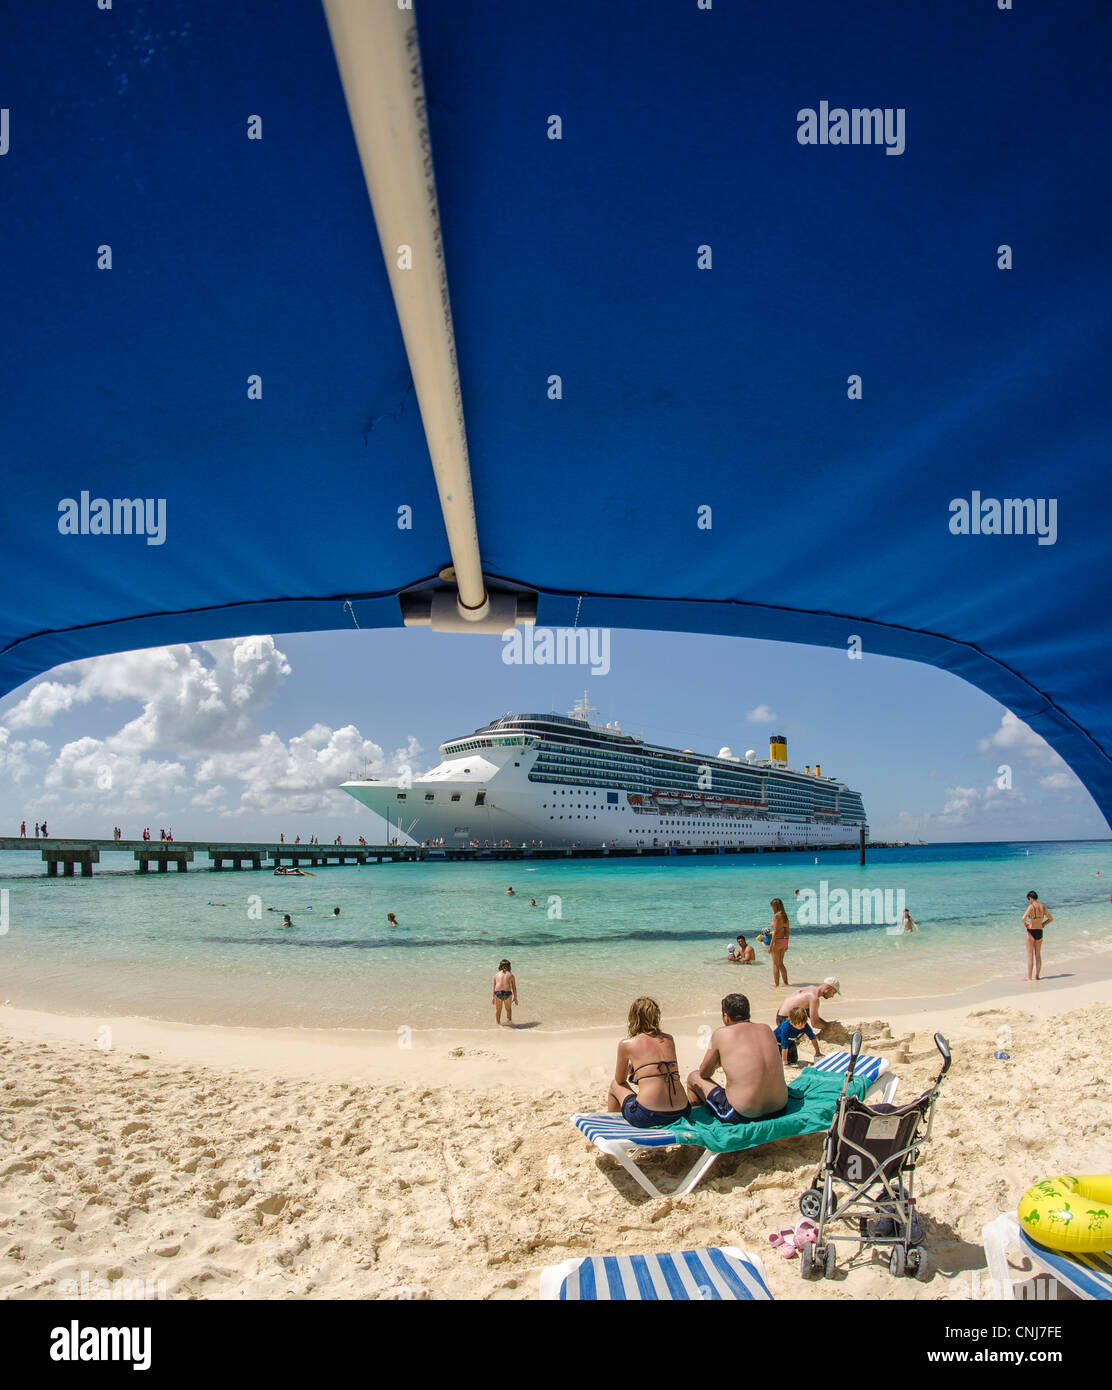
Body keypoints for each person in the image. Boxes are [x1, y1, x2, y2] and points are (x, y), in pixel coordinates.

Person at [685, 994, 787, 1122]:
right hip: (780, 1108)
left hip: (743, 1114)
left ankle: (699, 1127)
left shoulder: (720, 1034)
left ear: (726, 1017)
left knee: (693, 1077)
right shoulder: (766, 1029)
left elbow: (704, 1073)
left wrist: (720, 1062)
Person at [607, 997, 690, 1127]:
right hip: (682, 1111)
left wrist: (633, 1069)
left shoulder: (627, 1044)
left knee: (614, 1086)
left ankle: (612, 1129)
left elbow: (620, 1080)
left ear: (633, 1018)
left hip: (649, 1115)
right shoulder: (669, 1040)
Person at [775, 979, 840, 1035]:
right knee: (808, 1035)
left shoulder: (811, 988)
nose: (832, 996)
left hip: (780, 1017)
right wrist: (829, 1026)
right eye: (833, 992)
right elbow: (815, 1023)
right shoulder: (814, 998)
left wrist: (826, 1024)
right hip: (786, 1022)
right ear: (828, 988)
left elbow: (812, 1016)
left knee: (806, 1027)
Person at [1022, 890, 1052, 981]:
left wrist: (1026, 924)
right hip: (1039, 931)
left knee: (1030, 956)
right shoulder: (1042, 906)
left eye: (1029, 899)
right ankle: (1037, 976)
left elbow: (1023, 918)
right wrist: (1043, 924)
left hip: (1031, 931)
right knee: (1038, 955)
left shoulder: (1031, 907)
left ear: (1030, 898)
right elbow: (1050, 918)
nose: (1029, 901)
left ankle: (1029, 977)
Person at [768, 898, 790, 986]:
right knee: (781, 963)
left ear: (775, 906)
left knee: (775, 964)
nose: (771, 908)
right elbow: (787, 931)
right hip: (784, 940)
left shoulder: (777, 916)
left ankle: (776, 985)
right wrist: (786, 943)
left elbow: (776, 932)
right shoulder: (785, 916)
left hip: (777, 941)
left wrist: (770, 945)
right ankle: (786, 983)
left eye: (772, 906)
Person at [492, 959, 518, 1026]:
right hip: (507, 994)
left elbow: (494, 987)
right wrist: (515, 998)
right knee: (508, 1010)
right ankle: (509, 1024)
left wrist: (493, 997)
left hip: (498, 993)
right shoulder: (511, 975)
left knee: (498, 1010)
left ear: (500, 966)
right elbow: (514, 987)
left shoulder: (496, 975)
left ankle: (498, 1024)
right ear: (509, 967)